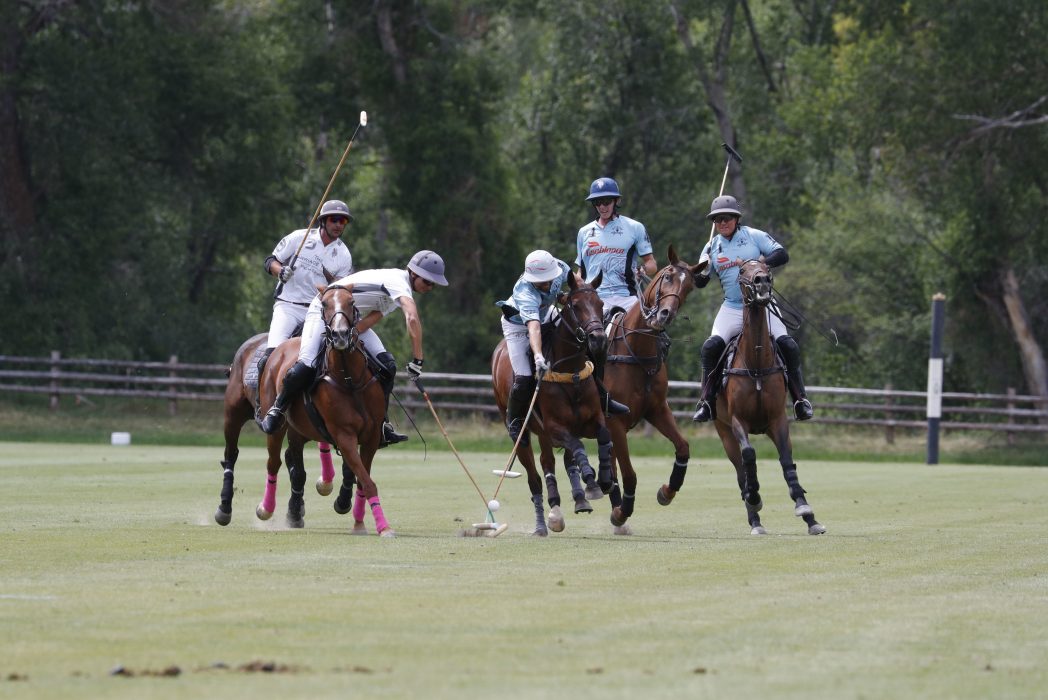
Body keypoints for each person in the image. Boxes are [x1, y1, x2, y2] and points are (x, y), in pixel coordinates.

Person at [260, 250, 449, 448]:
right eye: (427, 281)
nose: (430, 287)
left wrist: (351, 333)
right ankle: (277, 409)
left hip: (350, 318)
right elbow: (411, 318)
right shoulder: (399, 283)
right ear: (413, 273)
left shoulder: (397, 291)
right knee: (306, 362)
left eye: (433, 284)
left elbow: (373, 318)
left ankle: (381, 424)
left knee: (388, 365)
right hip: (325, 308)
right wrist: (418, 359)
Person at [690, 195, 814, 423]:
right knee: (710, 348)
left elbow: (782, 254)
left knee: (788, 345)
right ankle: (706, 401)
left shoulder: (753, 236)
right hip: (733, 307)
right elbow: (700, 283)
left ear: (736, 219)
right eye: (717, 220)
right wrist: (703, 270)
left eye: (726, 218)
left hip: (763, 305)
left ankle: (800, 400)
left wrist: (759, 263)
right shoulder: (711, 246)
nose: (722, 223)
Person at [258, 199, 354, 470]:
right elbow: (270, 261)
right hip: (288, 306)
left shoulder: (343, 255)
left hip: (317, 313)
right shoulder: (300, 238)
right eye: (334, 219)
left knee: (328, 363)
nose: (338, 225)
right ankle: (267, 408)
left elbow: (342, 292)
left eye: (343, 221)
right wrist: (281, 271)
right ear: (323, 220)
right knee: (269, 357)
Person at [575, 176, 656, 416]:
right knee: (583, 341)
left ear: (616, 201)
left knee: (654, 332)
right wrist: (572, 283)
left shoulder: (634, 227)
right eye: (598, 202)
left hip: (627, 296)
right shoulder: (584, 233)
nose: (603, 206)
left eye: (607, 200)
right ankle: (597, 392)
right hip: (596, 299)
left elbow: (651, 262)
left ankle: (654, 387)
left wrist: (643, 270)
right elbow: (581, 270)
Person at [495, 250, 570, 442]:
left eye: (548, 279)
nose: (545, 284)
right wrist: (538, 357)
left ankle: (601, 395)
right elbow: (534, 328)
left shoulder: (559, 267)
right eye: (540, 281)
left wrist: (566, 295)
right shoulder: (524, 291)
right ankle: (514, 420)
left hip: (547, 312)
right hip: (518, 325)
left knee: (576, 339)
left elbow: (578, 282)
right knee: (524, 377)